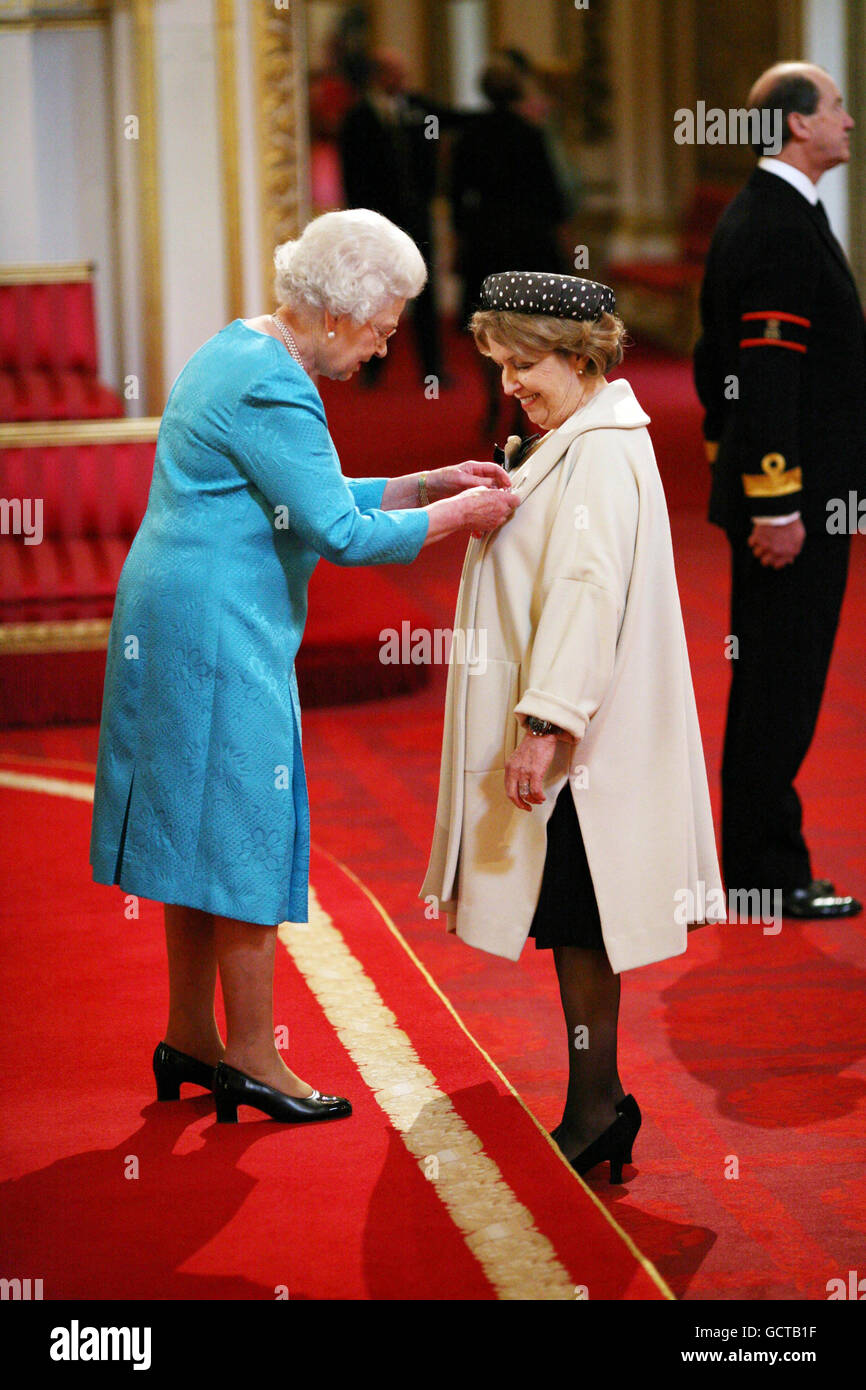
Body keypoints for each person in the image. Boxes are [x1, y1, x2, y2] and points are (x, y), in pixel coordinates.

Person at [90, 209, 518, 1127]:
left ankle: (189, 1037)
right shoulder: (275, 387)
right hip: (216, 630)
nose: (384, 346)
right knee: (242, 826)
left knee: (195, 830)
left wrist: (431, 483)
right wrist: (462, 520)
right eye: (382, 326)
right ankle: (251, 1056)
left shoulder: (243, 348)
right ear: (335, 314)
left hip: (180, 612)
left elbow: (308, 497)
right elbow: (340, 533)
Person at [421, 271, 724, 1183]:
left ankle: (598, 1107)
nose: (509, 383)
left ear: (582, 355)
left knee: (586, 923)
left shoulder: (596, 450)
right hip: (587, 743)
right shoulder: (579, 438)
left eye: (523, 363)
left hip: (587, 755)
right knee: (577, 924)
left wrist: (546, 725)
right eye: (499, 365)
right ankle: (596, 1103)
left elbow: (586, 597)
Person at [693, 62, 866, 919]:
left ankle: (764, 861)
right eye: (835, 107)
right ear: (798, 124)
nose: (847, 120)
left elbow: (707, 364)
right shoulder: (778, 226)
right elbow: (762, 377)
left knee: (776, 682)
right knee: (780, 686)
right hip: (791, 508)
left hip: (793, 496)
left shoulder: (773, 213)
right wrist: (778, 503)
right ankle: (768, 871)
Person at [451, 56, 570, 435]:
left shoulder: (468, 136)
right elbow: (553, 197)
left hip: (485, 241)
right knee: (529, 327)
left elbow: (455, 195)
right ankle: (526, 406)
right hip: (528, 242)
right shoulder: (530, 133)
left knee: (486, 327)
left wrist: (463, 235)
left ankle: (492, 402)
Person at [339, 49, 445, 385]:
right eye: (395, 73)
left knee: (426, 293)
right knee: (377, 294)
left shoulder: (417, 110)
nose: (402, 80)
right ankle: (372, 366)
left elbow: (445, 129)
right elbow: (352, 175)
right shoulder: (356, 118)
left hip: (416, 220)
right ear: (379, 76)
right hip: (378, 224)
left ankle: (433, 368)